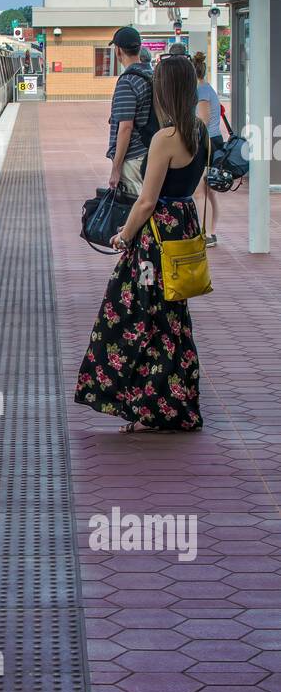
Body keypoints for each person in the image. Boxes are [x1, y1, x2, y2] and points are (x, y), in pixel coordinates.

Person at [75, 53, 209, 432]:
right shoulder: (200, 131)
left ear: (164, 91)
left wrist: (124, 234)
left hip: (155, 240)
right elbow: (191, 188)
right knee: (173, 320)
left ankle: (139, 403)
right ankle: (172, 401)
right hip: (183, 229)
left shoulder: (164, 139)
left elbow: (147, 200)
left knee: (132, 315)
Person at [107, 27, 157, 196]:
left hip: (134, 157)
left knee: (135, 211)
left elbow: (126, 127)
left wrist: (116, 168)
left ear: (118, 50)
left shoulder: (127, 82)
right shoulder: (154, 75)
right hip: (153, 151)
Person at [193, 50, 221, 247]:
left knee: (199, 192)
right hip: (214, 139)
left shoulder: (201, 90)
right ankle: (211, 231)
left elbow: (203, 118)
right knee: (209, 191)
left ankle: (206, 234)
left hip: (205, 141)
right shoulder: (207, 87)